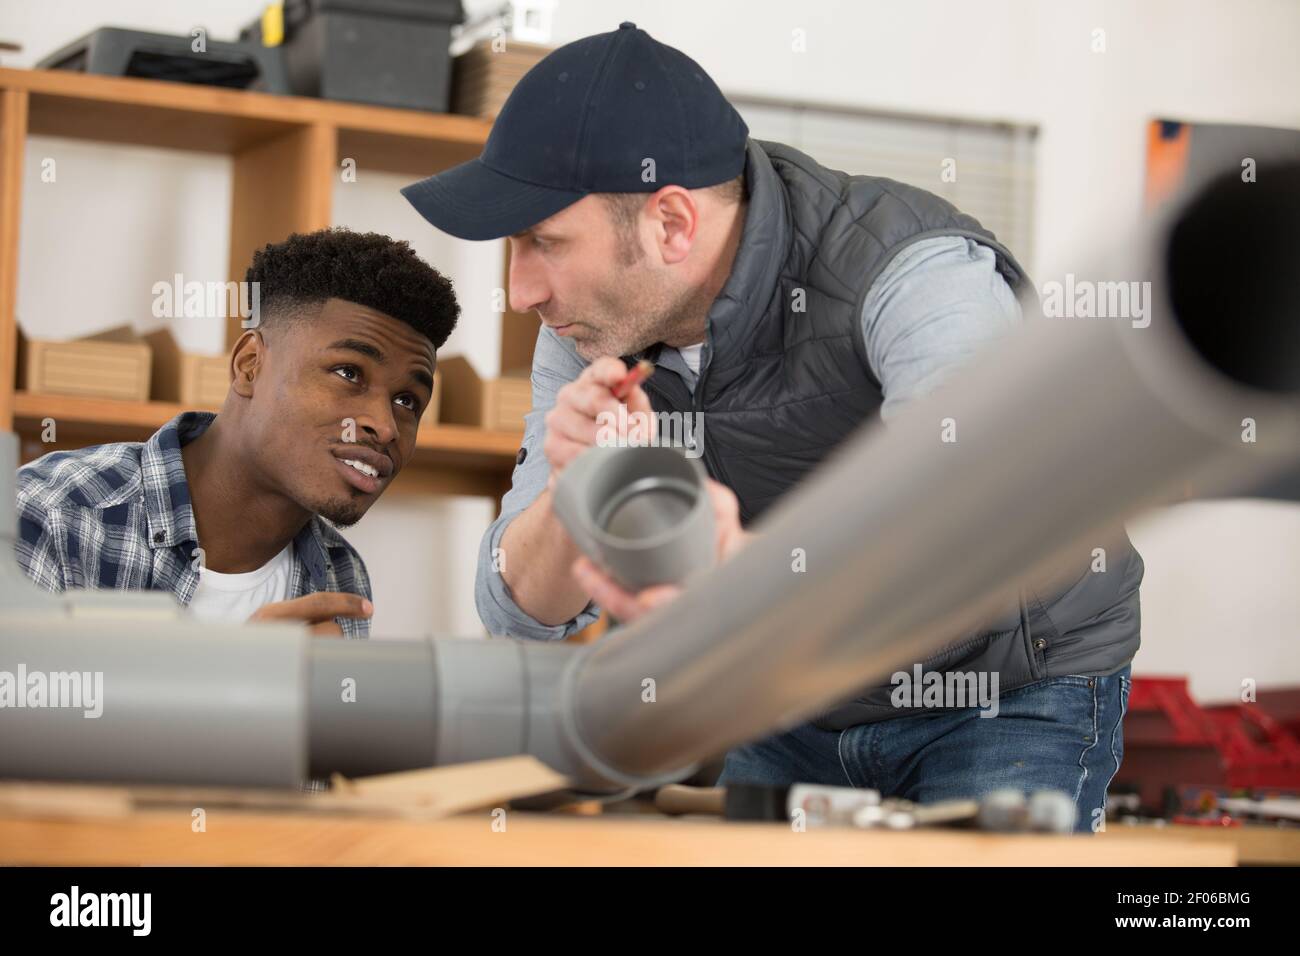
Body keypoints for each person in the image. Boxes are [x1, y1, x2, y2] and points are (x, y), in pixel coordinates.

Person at [402, 23, 1140, 830]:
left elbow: (969, 545)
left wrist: (742, 576)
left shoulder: (918, 277)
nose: (522, 292)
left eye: (543, 242)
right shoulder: (588, 330)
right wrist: (572, 495)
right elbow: (518, 613)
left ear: (672, 224)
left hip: (1003, 688)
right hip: (795, 690)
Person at [15, 228, 459, 637]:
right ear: (250, 366)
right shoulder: (52, 515)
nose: (383, 426)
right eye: (348, 372)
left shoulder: (341, 574)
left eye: (407, 401)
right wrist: (238, 681)